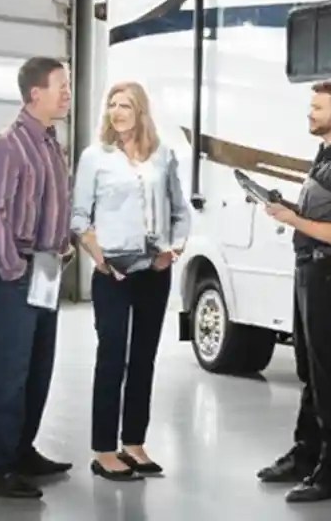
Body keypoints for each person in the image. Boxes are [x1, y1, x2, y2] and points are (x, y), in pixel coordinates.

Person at [257, 80, 331, 503]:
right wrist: (290, 209)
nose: (310, 113)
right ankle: (307, 454)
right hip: (308, 272)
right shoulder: (323, 158)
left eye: (318, 107)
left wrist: (293, 218)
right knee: (310, 370)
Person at [70, 81, 190, 482]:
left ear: (141, 112)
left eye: (126, 105)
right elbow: (79, 218)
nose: (117, 112)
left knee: (144, 358)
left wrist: (173, 250)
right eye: (112, 105)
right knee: (112, 357)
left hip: (154, 271)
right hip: (114, 273)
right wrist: (100, 259)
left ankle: (133, 444)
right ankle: (104, 449)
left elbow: (180, 210)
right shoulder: (95, 157)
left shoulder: (163, 155)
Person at [0, 56, 75, 499]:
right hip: (18, 269)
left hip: (48, 267)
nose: (67, 93)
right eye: (61, 86)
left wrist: (63, 247)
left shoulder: (52, 144)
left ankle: (21, 450)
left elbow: (55, 202)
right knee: (8, 369)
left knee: (38, 365)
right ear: (36, 93)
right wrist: (15, 267)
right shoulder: (6, 144)